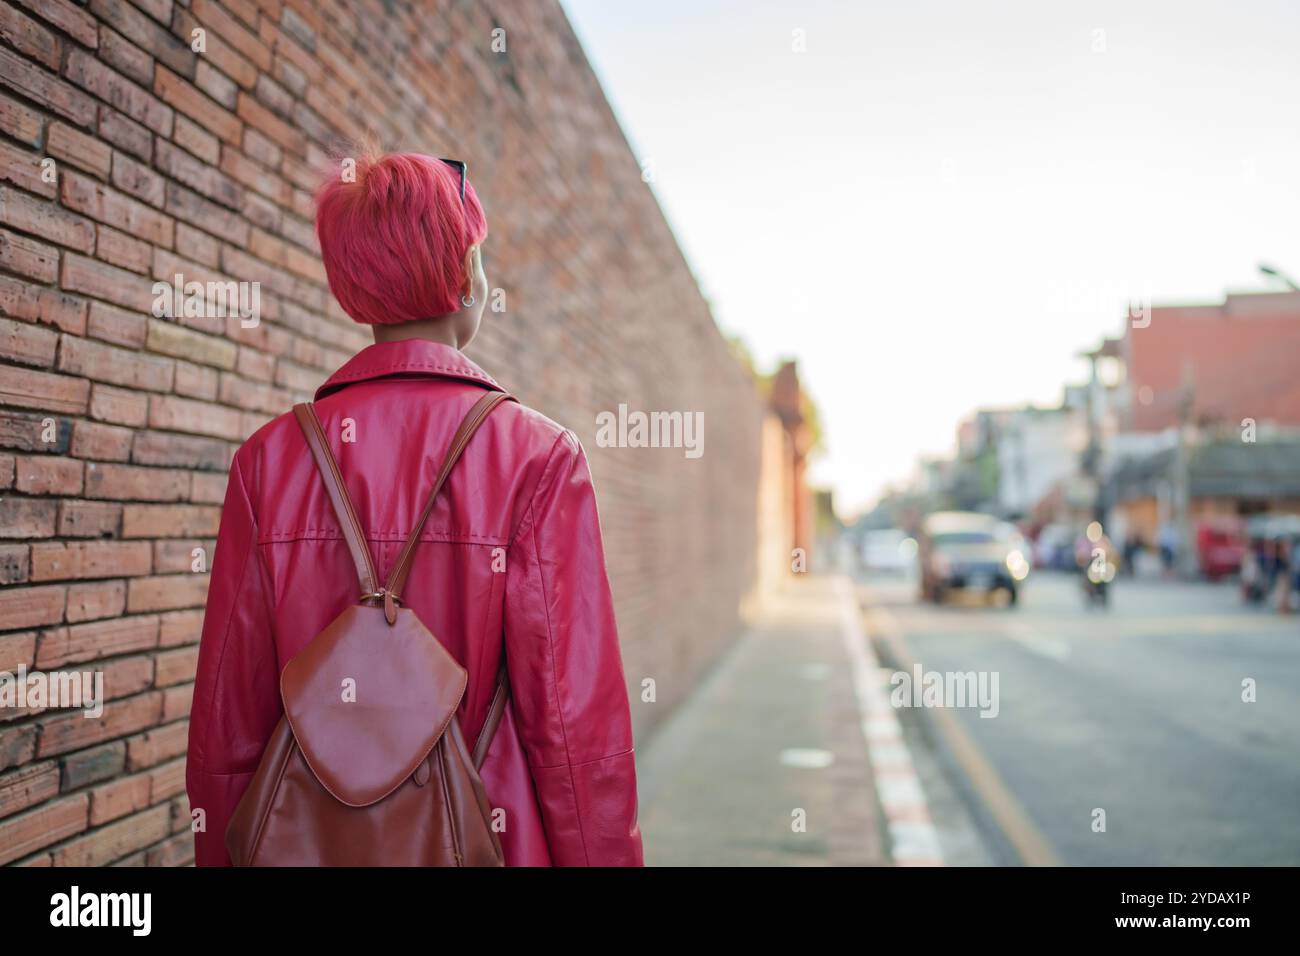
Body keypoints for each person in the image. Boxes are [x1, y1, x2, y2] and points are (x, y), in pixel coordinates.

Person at [186, 150, 644, 866]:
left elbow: (227, 733)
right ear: (464, 278)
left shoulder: (265, 465)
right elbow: (574, 728)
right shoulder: (538, 458)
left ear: (354, 285)